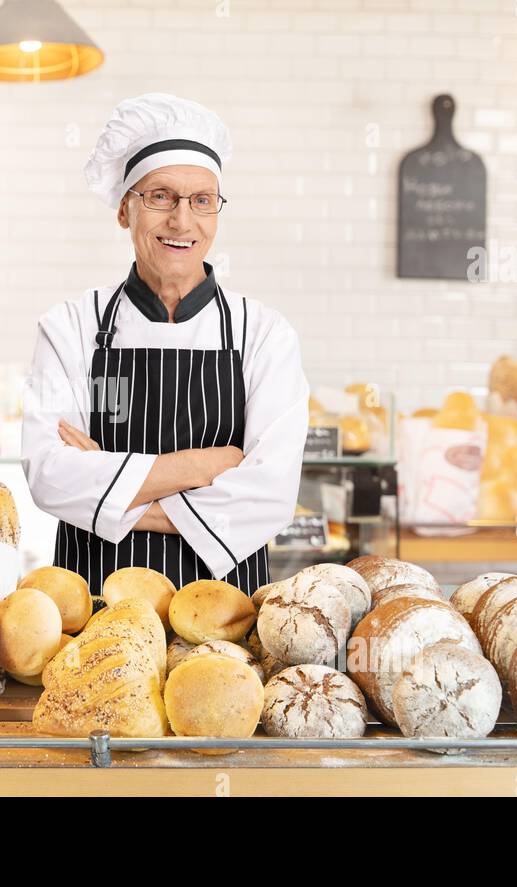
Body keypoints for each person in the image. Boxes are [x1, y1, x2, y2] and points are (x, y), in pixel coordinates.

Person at [21, 93, 310, 596]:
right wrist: (207, 466)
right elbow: (49, 475)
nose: (182, 221)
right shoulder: (69, 327)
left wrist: (107, 495)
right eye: (160, 196)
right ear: (123, 210)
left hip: (225, 613)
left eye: (202, 200)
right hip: (95, 603)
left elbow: (271, 496)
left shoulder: (265, 334)